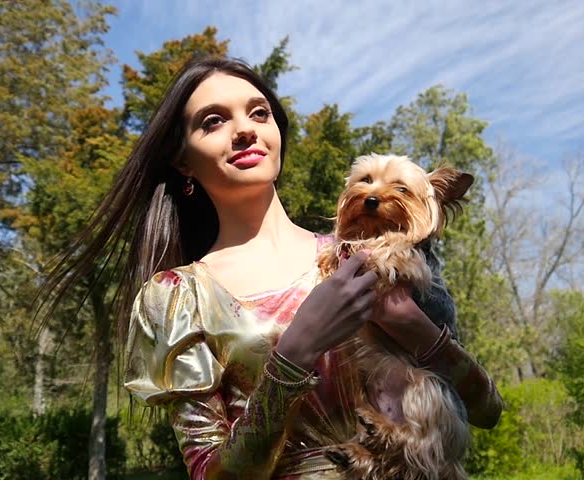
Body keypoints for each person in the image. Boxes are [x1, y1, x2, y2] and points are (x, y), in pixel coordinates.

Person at [53, 55, 502, 479]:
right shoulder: (178, 298)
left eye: (259, 113)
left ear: (278, 133)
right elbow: (210, 472)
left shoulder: (367, 257)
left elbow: (486, 411)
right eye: (214, 121)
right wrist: (293, 355)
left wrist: (414, 329)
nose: (244, 130)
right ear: (182, 159)